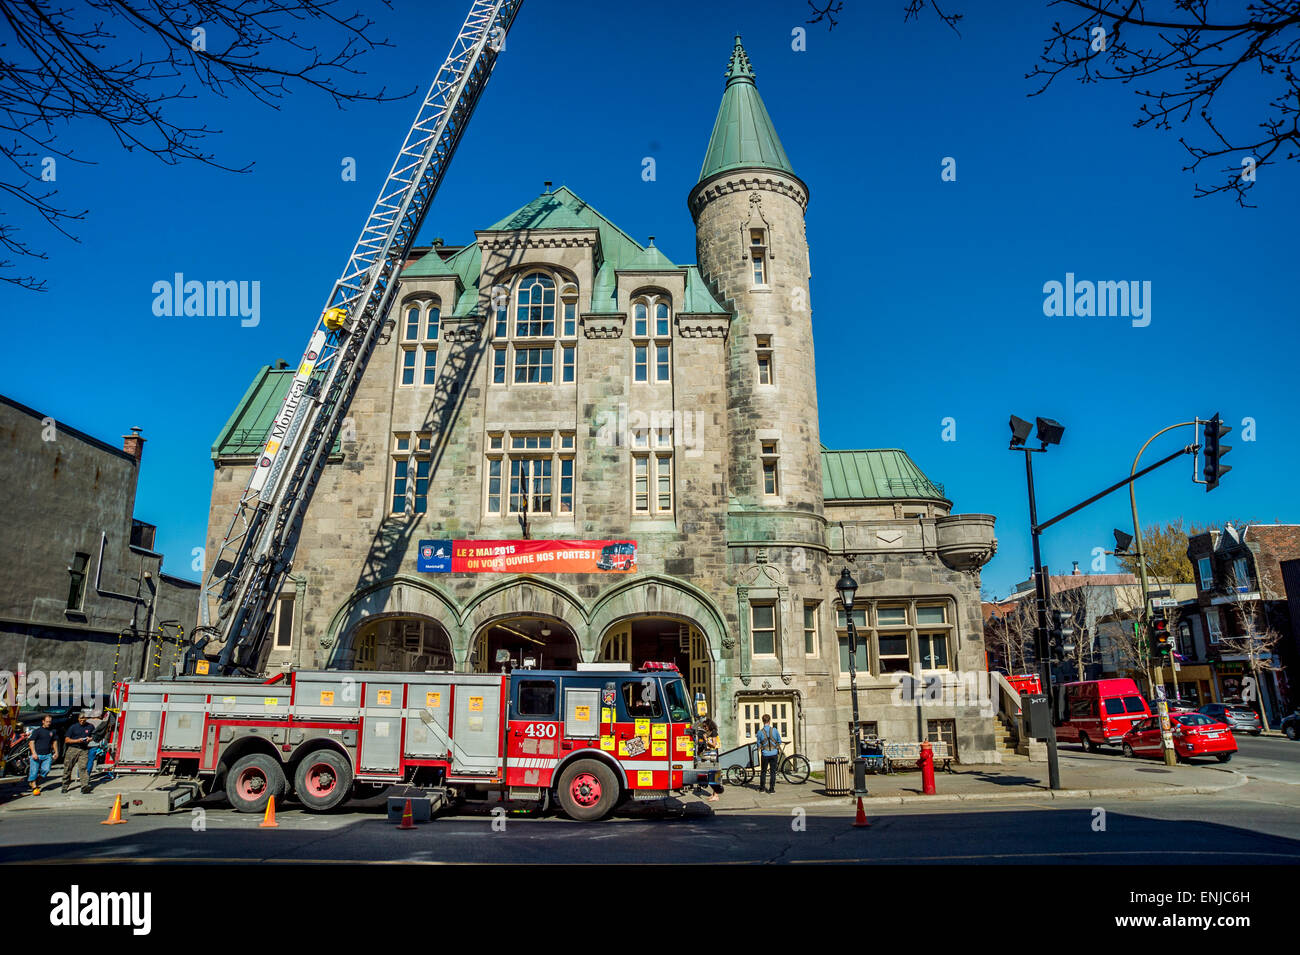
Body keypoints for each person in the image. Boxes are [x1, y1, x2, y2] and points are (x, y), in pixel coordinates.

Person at [62, 712, 94, 794]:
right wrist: (77, 740)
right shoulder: (73, 727)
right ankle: (65, 786)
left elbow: (94, 736)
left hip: (84, 749)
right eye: (80, 719)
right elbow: (67, 740)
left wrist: (90, 739)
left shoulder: (90, 726)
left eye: (83, 719)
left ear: (86, 718)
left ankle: (84, 786)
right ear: (78, 719)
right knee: (68, 768)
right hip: (73, 749)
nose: (82, 721)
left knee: (83, 768)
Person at [694, 717, 724, 801]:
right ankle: (714, 794)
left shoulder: (714, 732)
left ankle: (716, 795)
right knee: (712, 773)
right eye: (703, 727)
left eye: (705, 726)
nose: (705, 728)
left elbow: (714, 744)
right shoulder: (709, 732)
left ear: (709, 725)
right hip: (710, 754)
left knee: (714, 774)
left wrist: (706, 740)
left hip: (714, 754)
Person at [27, 714, 57, 795]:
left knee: (46, 770)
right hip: (37, 755)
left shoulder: (52, 731)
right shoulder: (37, 731)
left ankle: (34, 781)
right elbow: (31, 742)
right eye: (47, 722)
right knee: (34, 772)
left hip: (47, 755)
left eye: (50, 722)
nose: (48, 723)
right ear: (43, 721)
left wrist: (56, 752)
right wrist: (33, 753)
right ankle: (34, 788)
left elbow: (54, 742)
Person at [756, 714, 781, 794]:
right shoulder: (775, 730)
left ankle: (762, 789)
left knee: (763, 771)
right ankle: (771, 789)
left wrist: (762, 747)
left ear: (763, 721)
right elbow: (779, 741)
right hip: (774, 753)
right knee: (773, 772)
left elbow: (758, 744)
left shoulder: (760, 732)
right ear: (769, 721)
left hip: (765, 754)